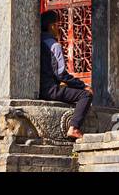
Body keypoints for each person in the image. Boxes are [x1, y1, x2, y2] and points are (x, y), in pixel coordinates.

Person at [39, 11, 93, 139]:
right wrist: (82, 86)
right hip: (50, 90)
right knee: (86, 95)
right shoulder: (53, 45)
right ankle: (74, 128)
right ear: (52, 26)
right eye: (57, 25)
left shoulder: (37, 42)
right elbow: (61, 74)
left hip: (39, 88)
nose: (58, 28)